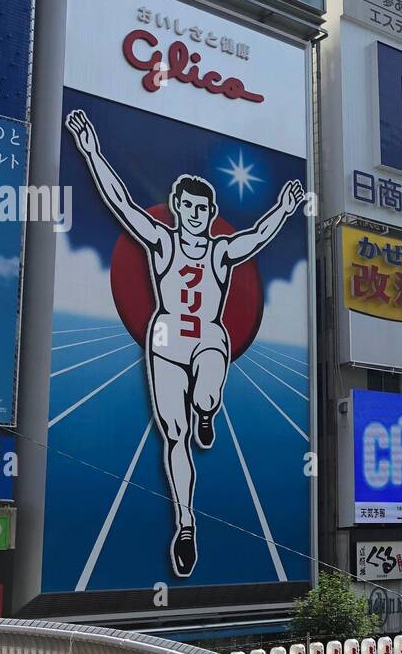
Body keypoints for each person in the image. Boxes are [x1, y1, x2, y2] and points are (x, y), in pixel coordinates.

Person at [65, 109, 305, 579]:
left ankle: (208, 410)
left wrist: (284, 208)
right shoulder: (161, 241)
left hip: (209, 335)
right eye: (188, 208)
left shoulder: (220, 250)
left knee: (207, 392)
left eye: (202, 209)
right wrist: (91, 151)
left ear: (211, 214)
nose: (195, 216)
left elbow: (257, 236)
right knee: (174, 436)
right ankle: (186, 524)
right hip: (168, 335)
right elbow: (122, 204)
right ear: (178, 208)